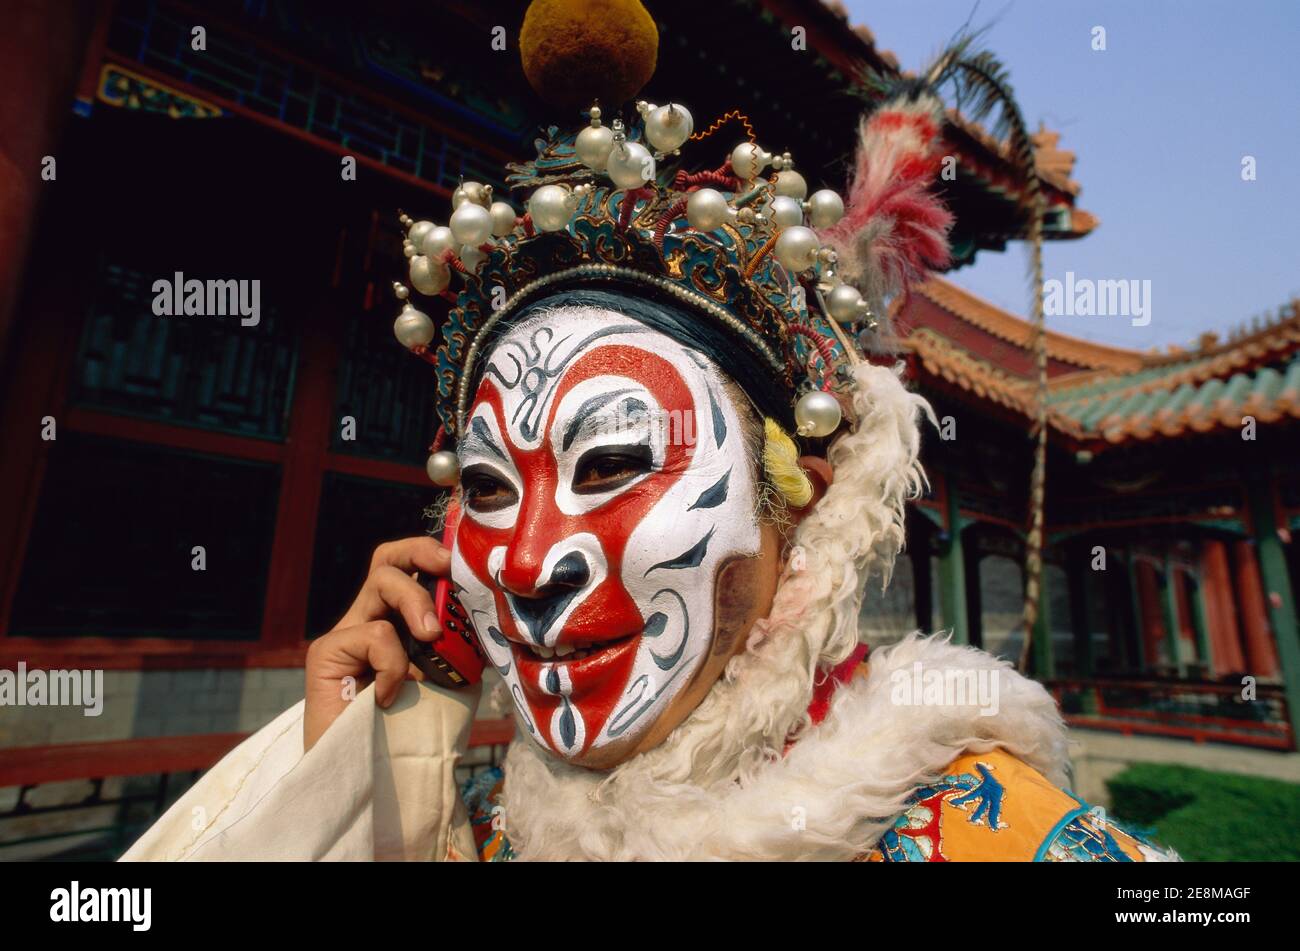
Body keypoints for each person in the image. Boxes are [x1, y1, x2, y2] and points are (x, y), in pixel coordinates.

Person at [124, 4, 1174, 862]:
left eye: (617, 462)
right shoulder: (497, 832)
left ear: (792, 508)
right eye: (488, 490)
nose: (528, 560)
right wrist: (360, 760)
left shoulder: (993, 838)